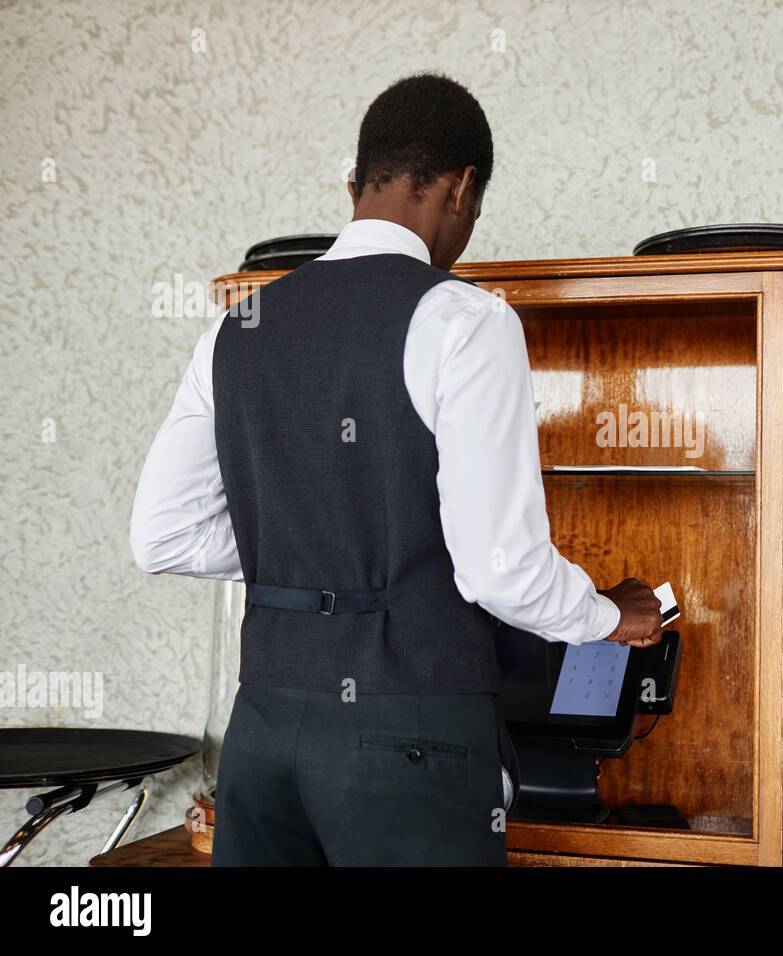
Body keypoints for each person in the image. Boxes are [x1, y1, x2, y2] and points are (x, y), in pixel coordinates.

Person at [129, 72, 663, 866]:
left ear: (356, 183)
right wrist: (611, 617)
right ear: (462, 187)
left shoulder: (237, 327)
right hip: (411, 740)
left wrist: (310, 539)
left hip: (262, 735)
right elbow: (499, 569)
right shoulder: (467, 321)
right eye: (473, 211)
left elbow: (160, 537)